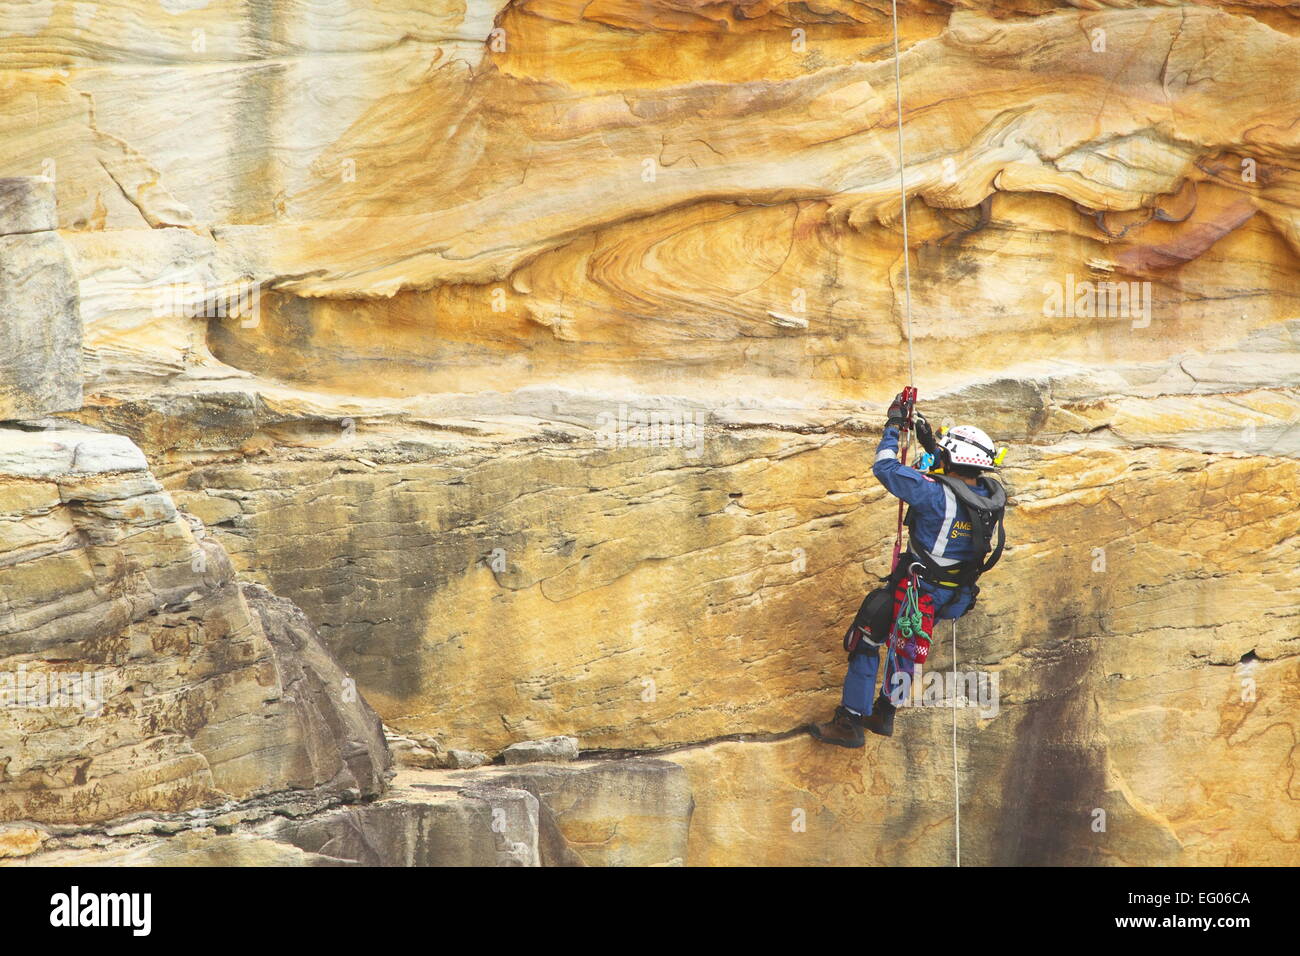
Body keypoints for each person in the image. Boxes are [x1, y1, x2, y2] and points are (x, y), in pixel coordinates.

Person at [810, 390, 1007, 746]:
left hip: (920, 592)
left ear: (952, 459)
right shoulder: (990, 497)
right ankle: (885, 710)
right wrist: (931, 444)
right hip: (955, 594)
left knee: (868, 635)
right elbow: (953, 478)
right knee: (907, 647)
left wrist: (893, 426)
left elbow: (886, 468)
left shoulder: (932, 493)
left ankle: (850, 721)